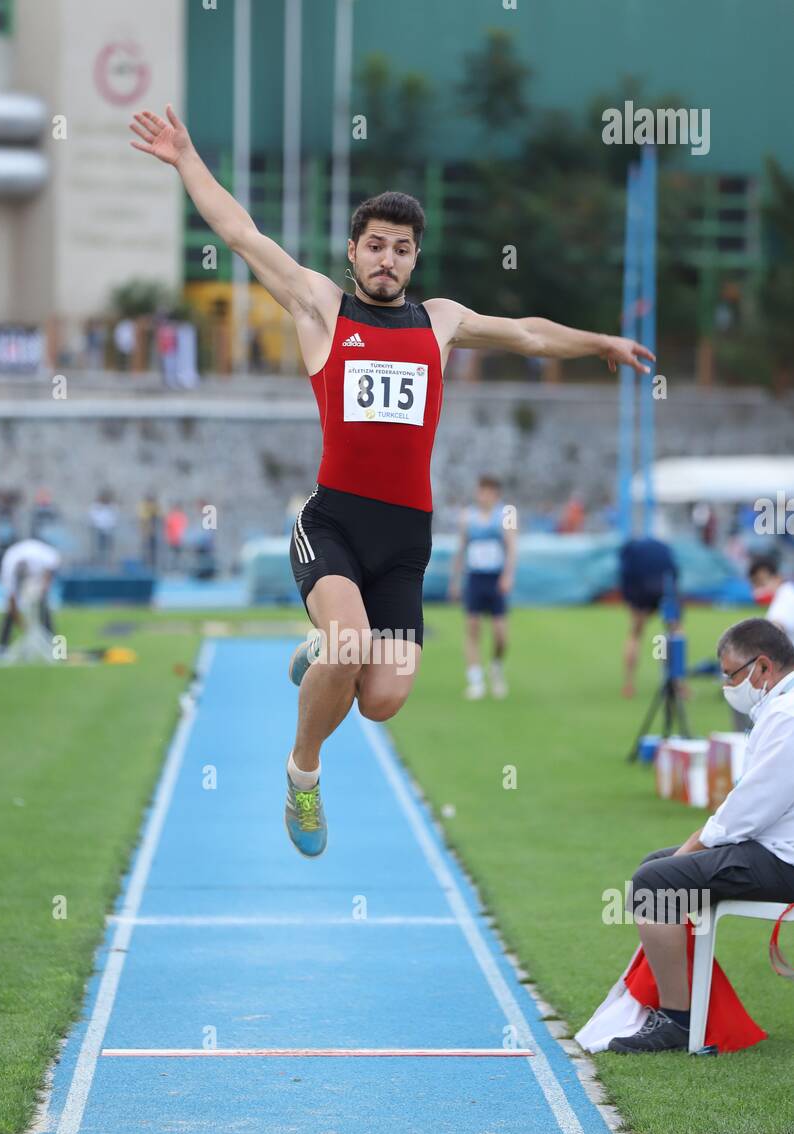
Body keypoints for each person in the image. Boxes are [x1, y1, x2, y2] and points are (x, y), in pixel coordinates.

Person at [129, 104, 654, 857]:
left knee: (382, 700)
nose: (388, 259)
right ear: (352, 251)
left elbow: (530, 333)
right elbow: (242, 233)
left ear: (414, 259)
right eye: (376, 245)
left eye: (402, 249)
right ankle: (302, 777)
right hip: (334, 523)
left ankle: (320, 653)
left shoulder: (440, 322)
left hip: (407, 541)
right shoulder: (320, 307)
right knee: (349, 645)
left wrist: (596, 340)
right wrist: (186, 159)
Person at [606, 618, 794, 1053]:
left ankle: (678, 1019)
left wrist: (698, 842)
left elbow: (752, 807)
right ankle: (677, 1001)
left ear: (762, 667)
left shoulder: (786, 714)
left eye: (730, 674)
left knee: (654, 883)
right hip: (776, 845)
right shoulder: (779, 707)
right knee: (658, 865)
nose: (727, 685)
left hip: (784, 858)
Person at [450, 476, 517, 699]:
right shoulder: (467, 516)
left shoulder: (506, 514)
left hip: (495, 578)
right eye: (481, 491)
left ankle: (496, 666)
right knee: (473, 628)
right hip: (475, 578)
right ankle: (475, 679)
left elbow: (512, 546)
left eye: (488, 492)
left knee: (501, 634)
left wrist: (508, 575)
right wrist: (456, 580)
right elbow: (461, 548)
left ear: (495, 494)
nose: (484, 496)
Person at [618, 536, 680, 698]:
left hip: (640, 590)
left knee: (635, 633)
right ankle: (680, 685)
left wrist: (630, 599)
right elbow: (674, 570)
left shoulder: (630, 551)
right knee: (676, 634)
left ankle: (629, 685)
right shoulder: (662, 547)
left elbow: (625, 574)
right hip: (665, 586)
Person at [0, 538, 60, 649]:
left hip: (39, 574)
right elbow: (11, 600)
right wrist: (22, 625)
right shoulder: (8, 569)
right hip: (28, 574)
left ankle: (52, 642)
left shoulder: (43, 557)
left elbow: (50, 568)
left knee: (42, 605)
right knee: (9, 612)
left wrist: (44, 587)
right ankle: (2, 644)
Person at [748, 554, 794, 644]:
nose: (759, 589)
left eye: (762, 583)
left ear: (777, 578)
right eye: (755, 584)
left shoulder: (785, 595)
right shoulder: (787, 592)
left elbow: (776, 628)